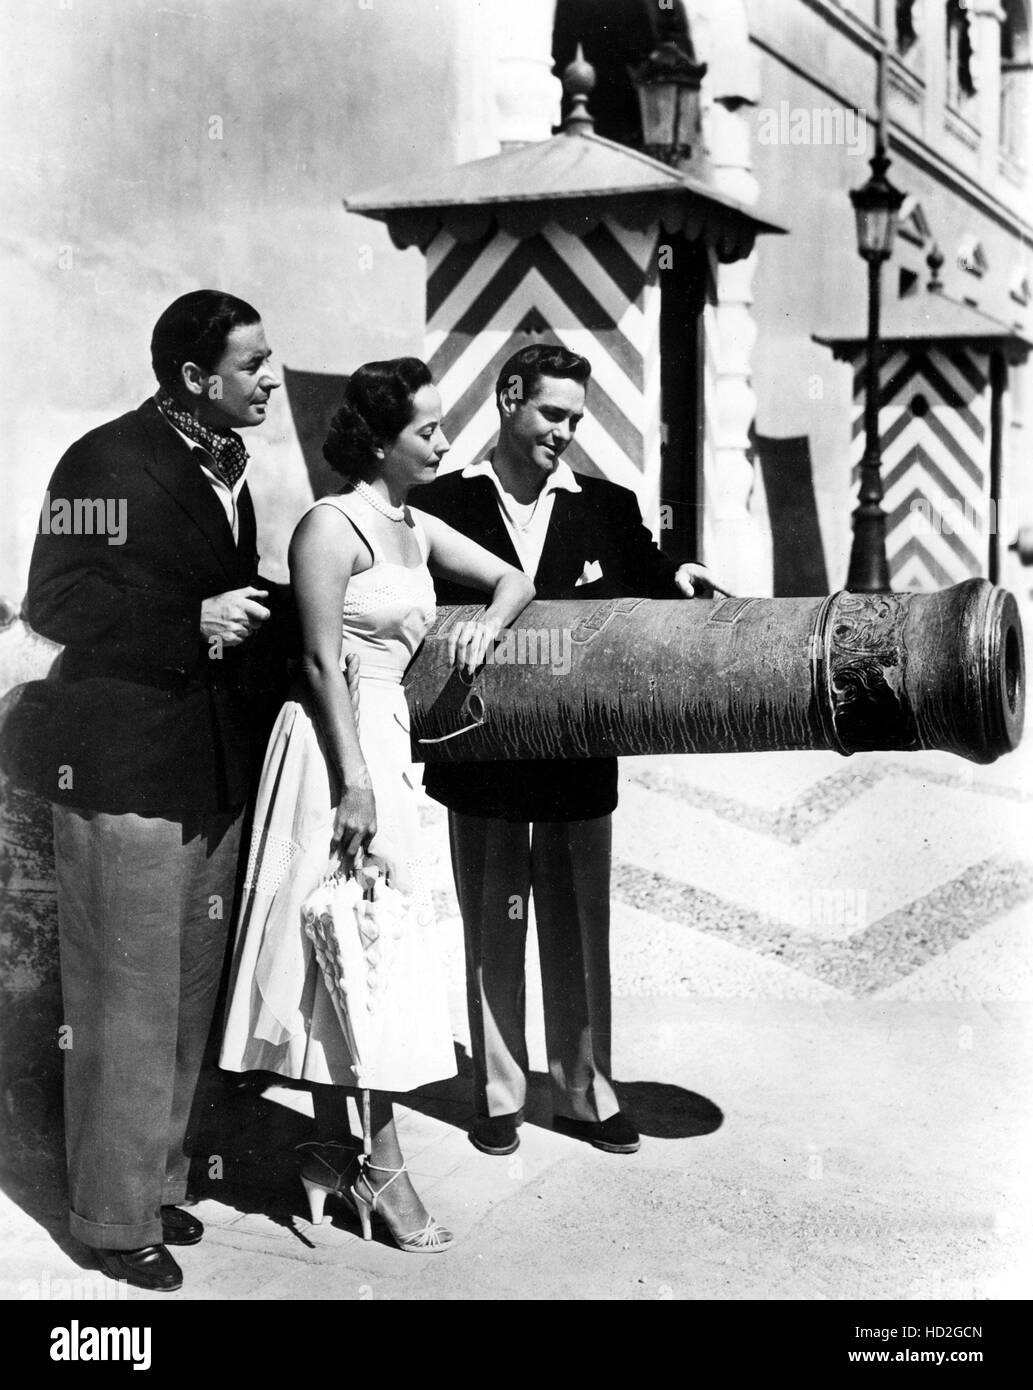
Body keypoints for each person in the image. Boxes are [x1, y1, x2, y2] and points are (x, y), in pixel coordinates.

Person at [219, 357, 534, 1252]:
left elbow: (513, 580)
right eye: (427, 428)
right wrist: (352, 782)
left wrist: (482, 623)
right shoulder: (332, 524)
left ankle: (333, 1151)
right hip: (332, 750)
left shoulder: (413, 526)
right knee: (340, 945)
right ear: (380, 439)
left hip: (385, 743)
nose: (441, 440)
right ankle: (380, 1166)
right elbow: (319, 663)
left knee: (365, 946)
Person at [22, 290, 285, 1291]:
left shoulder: (228, 470)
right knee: (123, 1004)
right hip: (122, 766)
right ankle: (108, 1219)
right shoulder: (102, 461)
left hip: (202, 769)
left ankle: (156, 1183)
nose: (270, 378)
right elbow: (55, 599)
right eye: (253, 364)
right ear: (192, 376)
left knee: (181, 1000)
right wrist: (192, 619)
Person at [412, 343, 714, 1159]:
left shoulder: (608, 507)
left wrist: (679, 575)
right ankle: (500, 1093)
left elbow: (651, 578)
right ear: (508, 398)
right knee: (492, 923)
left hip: (580, 758)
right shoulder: (437, 502)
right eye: (551, 413)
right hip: (478, 753)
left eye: (576, 418)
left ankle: (585, 1091)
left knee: (579, 927)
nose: (565, 432)